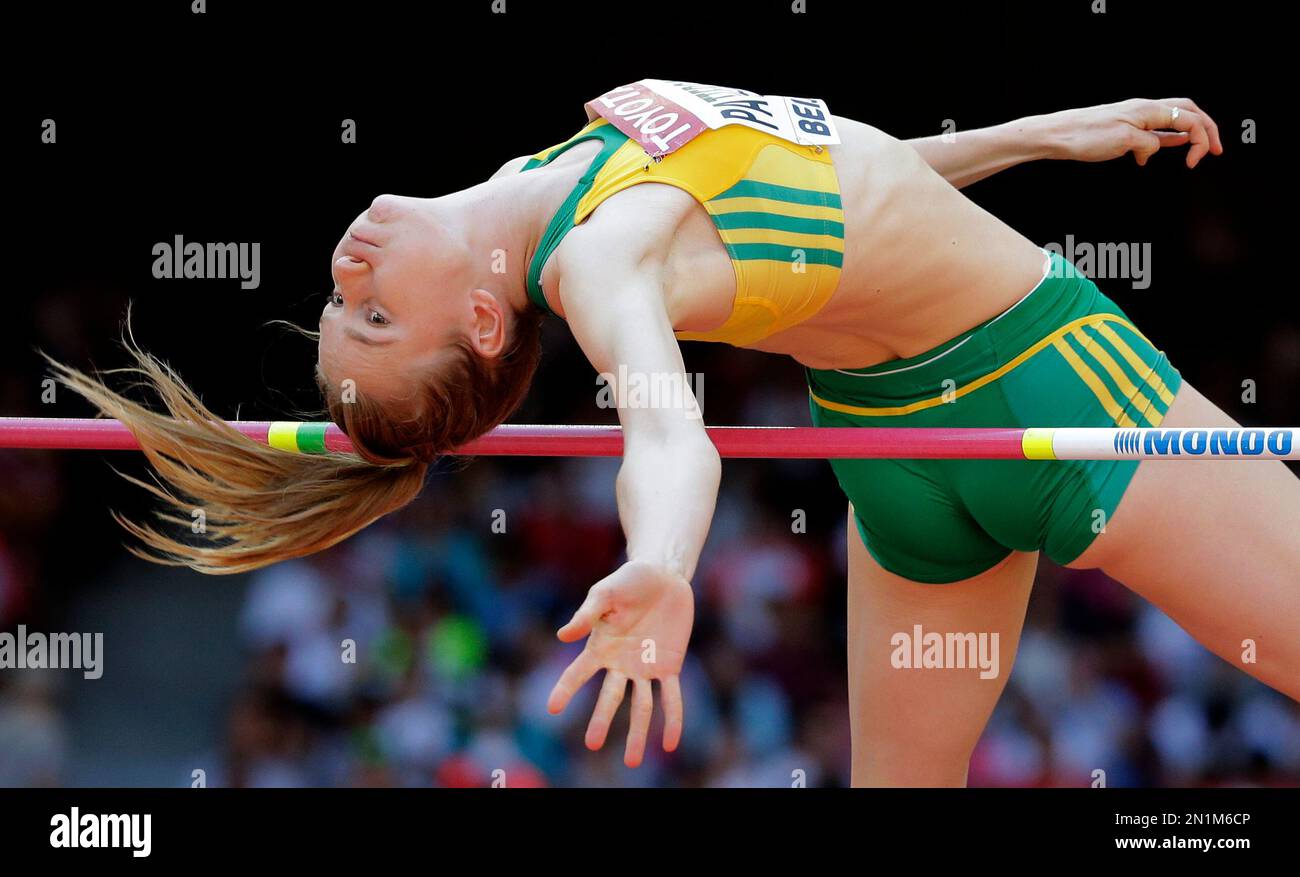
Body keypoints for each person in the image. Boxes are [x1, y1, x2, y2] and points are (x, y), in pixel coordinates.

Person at [52, 82, 1300, 786]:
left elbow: (838, 190)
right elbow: (668, 435)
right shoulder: (597, 256)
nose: (347, 270)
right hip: (1033, 400)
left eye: (340, 309)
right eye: (375, 315)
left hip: (914, 438)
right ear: (486, 318)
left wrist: (1035, 139)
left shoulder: (564, 173)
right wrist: (659, 564)